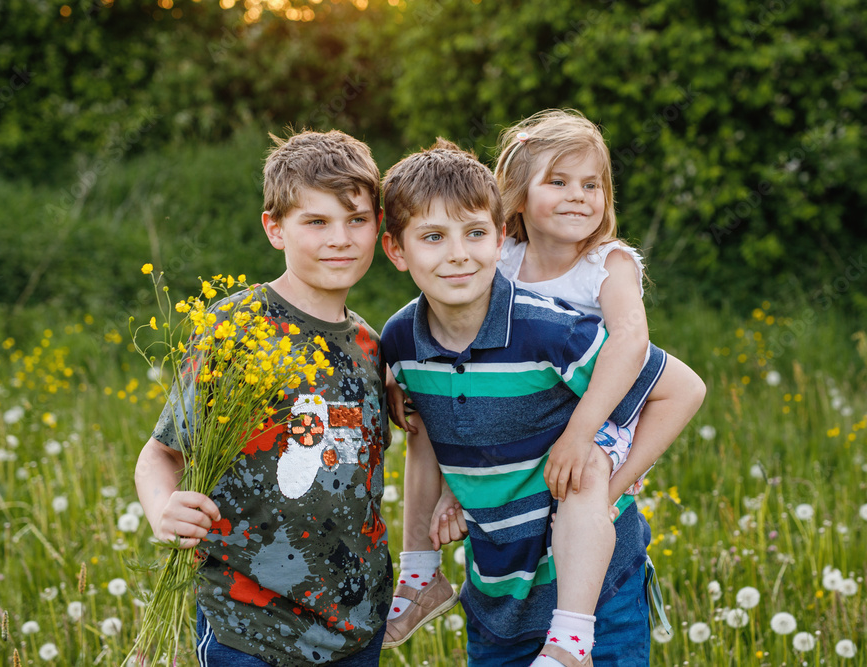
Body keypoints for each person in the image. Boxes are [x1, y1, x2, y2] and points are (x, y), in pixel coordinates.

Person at [378, 138, 705, 666]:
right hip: (496, 591)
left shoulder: (554, 329)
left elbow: (677, 383)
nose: (458, 253)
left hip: (602, 594)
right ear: (397, 250)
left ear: (499, 235)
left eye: (475, 233)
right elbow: (431, 435)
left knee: (590, 470)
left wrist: (597, 471)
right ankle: (419, 576)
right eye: (434, 237)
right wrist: (449, 495)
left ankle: (571, 641)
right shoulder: (400, 342)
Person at [134, 129, 392, 667]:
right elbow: (161, 454)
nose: (340, 238)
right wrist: (163, 509)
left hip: (356, 624)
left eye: (356, 220)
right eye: (316, 222)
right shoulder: (238, 328)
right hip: (250, 627)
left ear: (378, 227)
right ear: (275, 228)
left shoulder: (372, 346)